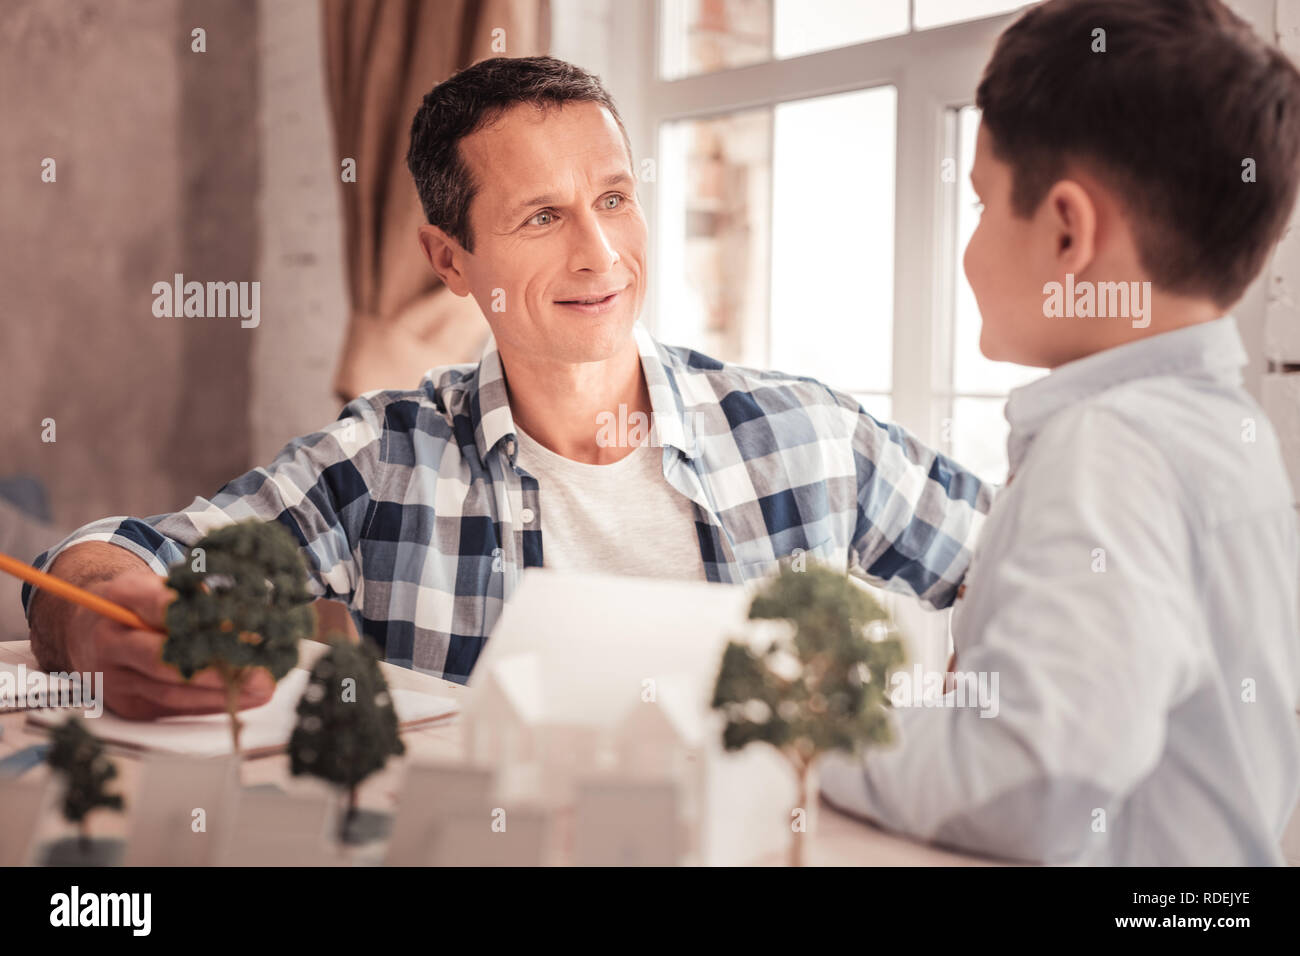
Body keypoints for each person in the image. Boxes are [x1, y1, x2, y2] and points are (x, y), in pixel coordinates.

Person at [23, 56, 990, 720]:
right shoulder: (382, 462)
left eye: (614, 197)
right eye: (542, 217)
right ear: (450, 260)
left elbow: (1029, 563)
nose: (602, 254)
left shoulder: (805, 437)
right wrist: (99, 621)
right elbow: (113, 556)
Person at [820, 0, 1300, 865]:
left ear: (1068, 230)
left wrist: (816, 728)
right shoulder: (1226, 431)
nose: (968, 251)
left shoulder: (1112, 450)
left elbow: (1031, 785)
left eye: (980, 204)